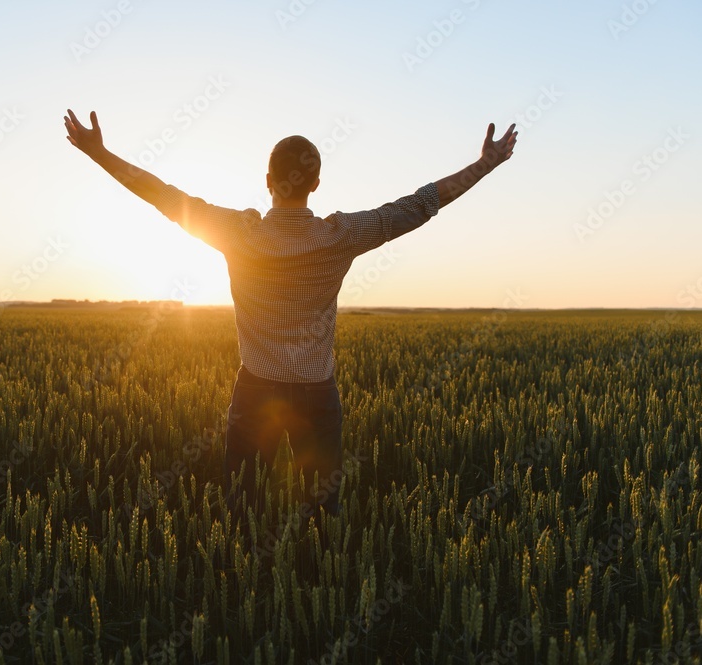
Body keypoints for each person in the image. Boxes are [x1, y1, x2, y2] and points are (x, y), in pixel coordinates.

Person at [64, 109, 516, 532]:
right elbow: (419, 205)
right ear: (315, 184)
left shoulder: (236, 233)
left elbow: (164, 196)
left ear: (267, 181)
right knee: (323, 513)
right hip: (317, 392)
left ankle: (245, 579)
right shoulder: (343, 235)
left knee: (242, 507)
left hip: (255, 389)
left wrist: (99, 153)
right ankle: (318, 578)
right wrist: (485, 164)